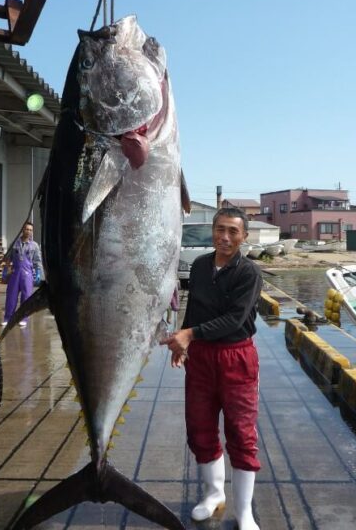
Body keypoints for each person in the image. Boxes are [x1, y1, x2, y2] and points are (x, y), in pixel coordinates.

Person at [160, 207, 262, 530]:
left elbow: (234, 319)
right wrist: (184, 342)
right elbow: (194, 306)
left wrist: (190, 334)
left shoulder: (249, 273)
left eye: (233, 231)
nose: (225, 237)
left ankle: (244, 512)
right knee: (200, 427)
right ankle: (214, 494)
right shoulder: (201, 265)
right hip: (201, 359)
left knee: (241, 433)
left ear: (244, 236)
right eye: (220, 229)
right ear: (212, 231)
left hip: (236, 357)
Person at [3, 221, 44, 327]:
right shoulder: (15, 243)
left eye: (30, 230)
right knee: (11, 296)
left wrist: (38, 273)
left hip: (27, 274)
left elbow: (37, 261)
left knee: (26, 297)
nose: (28, 231)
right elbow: (7, 257)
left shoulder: (34, 246)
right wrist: (6, 269)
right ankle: (8, 318)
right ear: (23, 229)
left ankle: (23, 318)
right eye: (27, 229)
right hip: (15, 273)